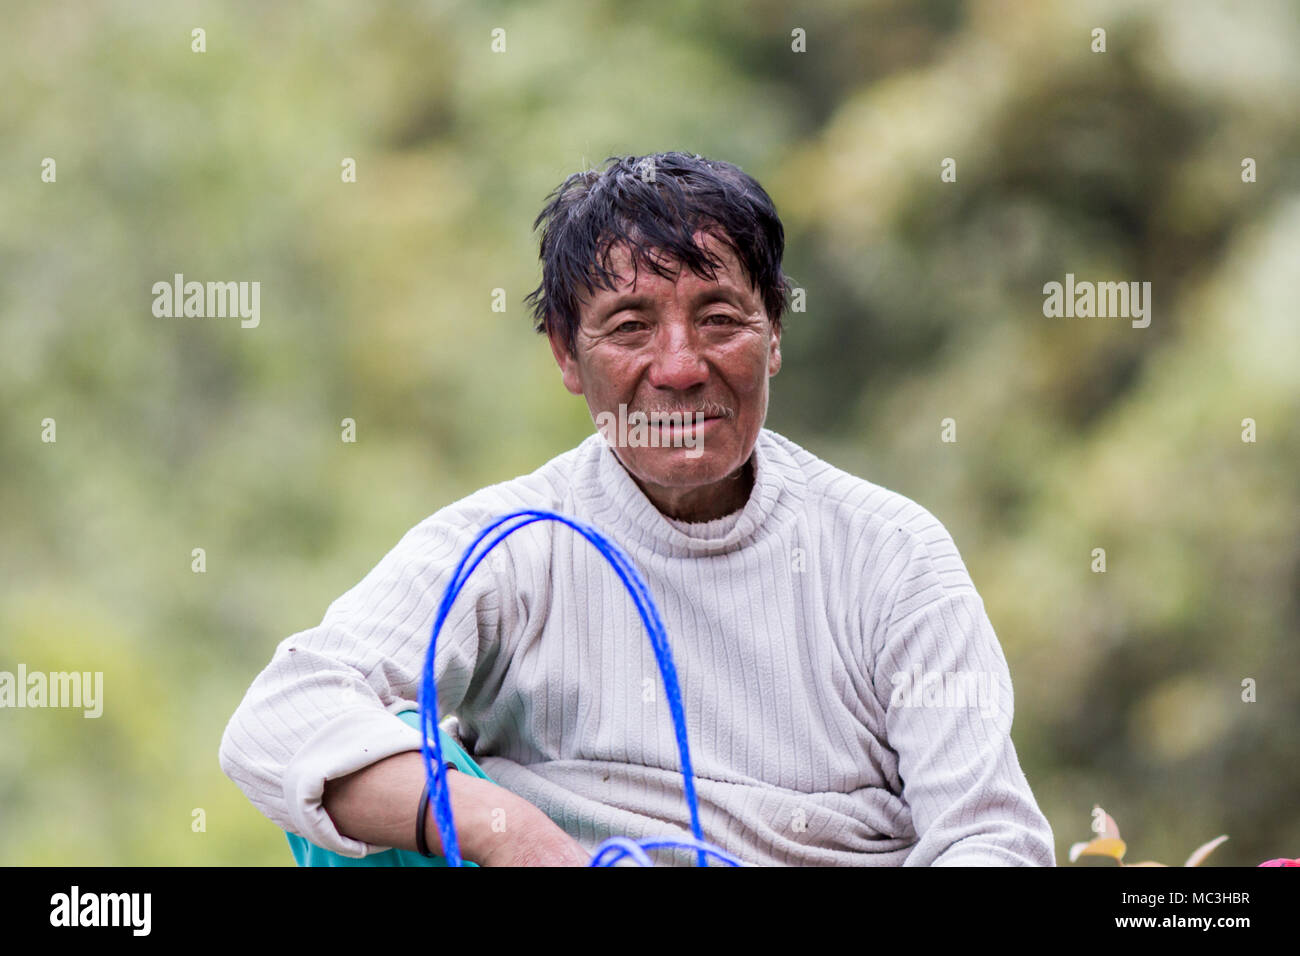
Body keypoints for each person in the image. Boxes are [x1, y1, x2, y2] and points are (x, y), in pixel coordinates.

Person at [219, 151, 1057, 867]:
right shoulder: (511, 546)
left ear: (773, 334)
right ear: (566, 354)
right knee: (382, 749)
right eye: (629, 327)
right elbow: (280, 717)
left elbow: (990, 838)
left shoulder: (892, 556)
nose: (680, 367)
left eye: (720, 319)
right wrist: (510, 832)